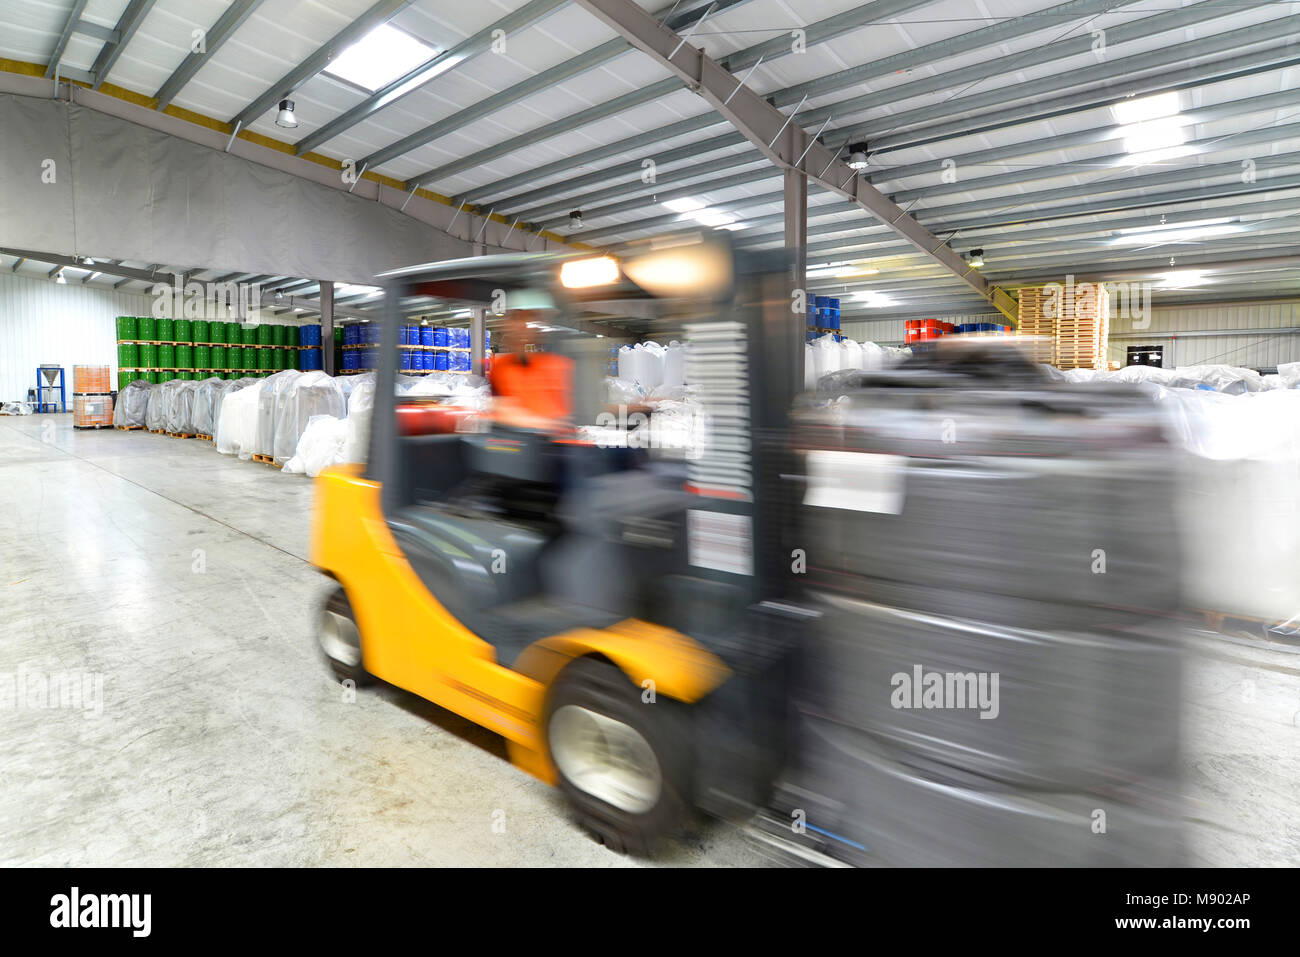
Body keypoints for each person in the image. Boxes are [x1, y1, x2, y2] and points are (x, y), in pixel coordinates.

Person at [488, 305, 574, 432]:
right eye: (515, 319)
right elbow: (501, 409)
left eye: (527, 319)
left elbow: (565, 416)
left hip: (553, 442)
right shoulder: (501, 367)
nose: (520, 326)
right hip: (521, 441)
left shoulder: (557, 364)